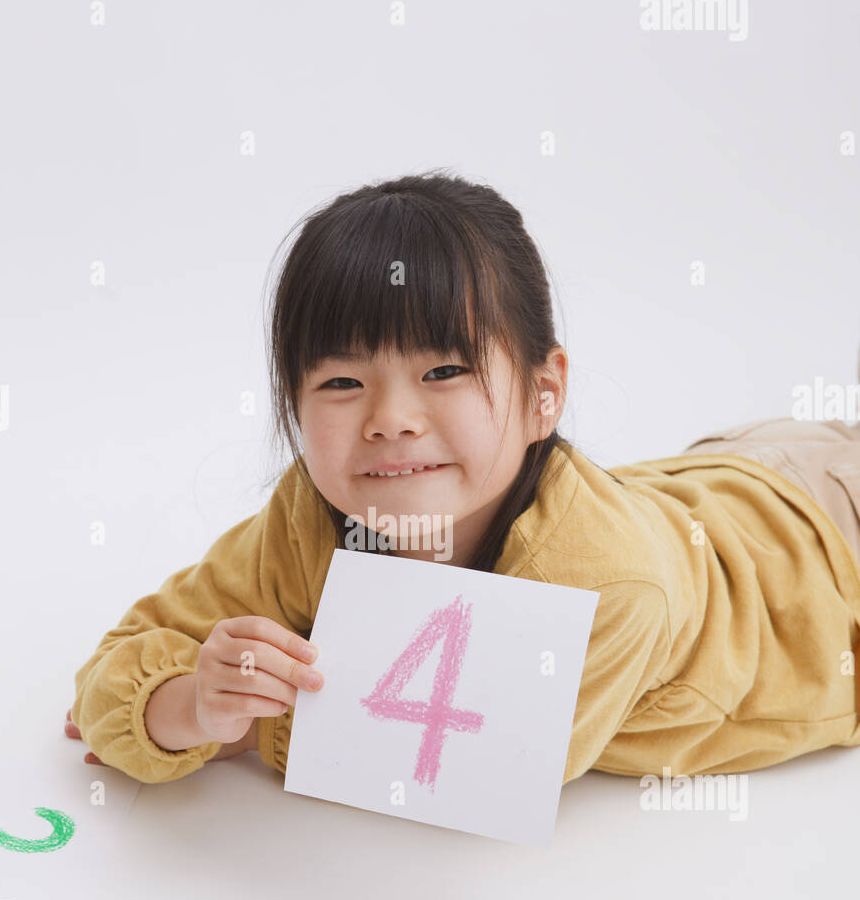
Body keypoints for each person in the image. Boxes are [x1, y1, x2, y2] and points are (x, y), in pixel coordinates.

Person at [66, 172, 860, 786]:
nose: (392, 419)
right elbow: (115, 667)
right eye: (341, 384)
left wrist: (241, 729)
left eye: (444, 369)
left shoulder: (607, 583)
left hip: (823, 574)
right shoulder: (312, 516)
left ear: (543, 396)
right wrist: (189, 706)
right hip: (727, 477)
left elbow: (483, 773)